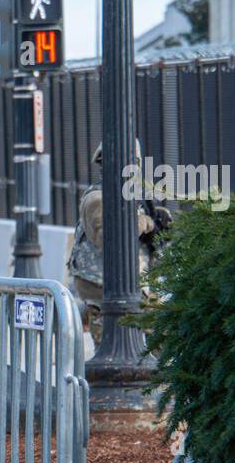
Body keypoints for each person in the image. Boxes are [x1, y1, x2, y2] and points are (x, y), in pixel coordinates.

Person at [67, 141, 171, 340]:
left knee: (163, 336)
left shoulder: (132, 196)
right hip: (103, 288)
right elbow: (110, 237)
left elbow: (142, 236)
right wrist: (145, 222)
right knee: (110, 355)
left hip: (135, 284)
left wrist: (159, 224)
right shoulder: (97, 198)